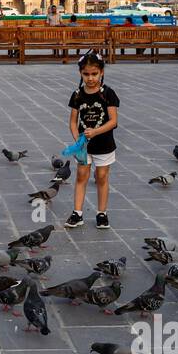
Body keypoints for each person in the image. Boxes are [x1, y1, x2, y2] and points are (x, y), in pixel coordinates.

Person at [65, 50, 120, 230]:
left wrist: (95, 132)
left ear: (101, 72)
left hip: (104, 144)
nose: (90, 78)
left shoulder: (108, 94)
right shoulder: (77, 94)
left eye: (94, 74)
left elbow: (113, 121)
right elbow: (73, 121)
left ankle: (102, 213)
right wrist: (77, 140)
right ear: (80, 73)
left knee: (102, 177)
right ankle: (77, 212)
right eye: (86, 74)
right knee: (81, 176)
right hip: (84, 146)